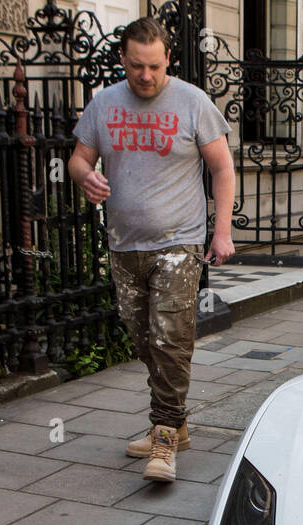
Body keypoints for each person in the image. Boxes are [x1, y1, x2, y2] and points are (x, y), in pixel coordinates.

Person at [69, 16, 235, 482]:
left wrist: (221, 231)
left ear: (168, 61)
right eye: (137, 66)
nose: (146, 76)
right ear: (123, 59)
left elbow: (222, 168)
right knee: (143, 338)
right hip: (124, 244)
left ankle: (163, 437)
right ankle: (175, 423)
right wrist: (86, 176)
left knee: (171, 338)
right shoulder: (104, 104)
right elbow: (79, 158)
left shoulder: (192, 102)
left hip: (178, 242)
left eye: (155, 67)